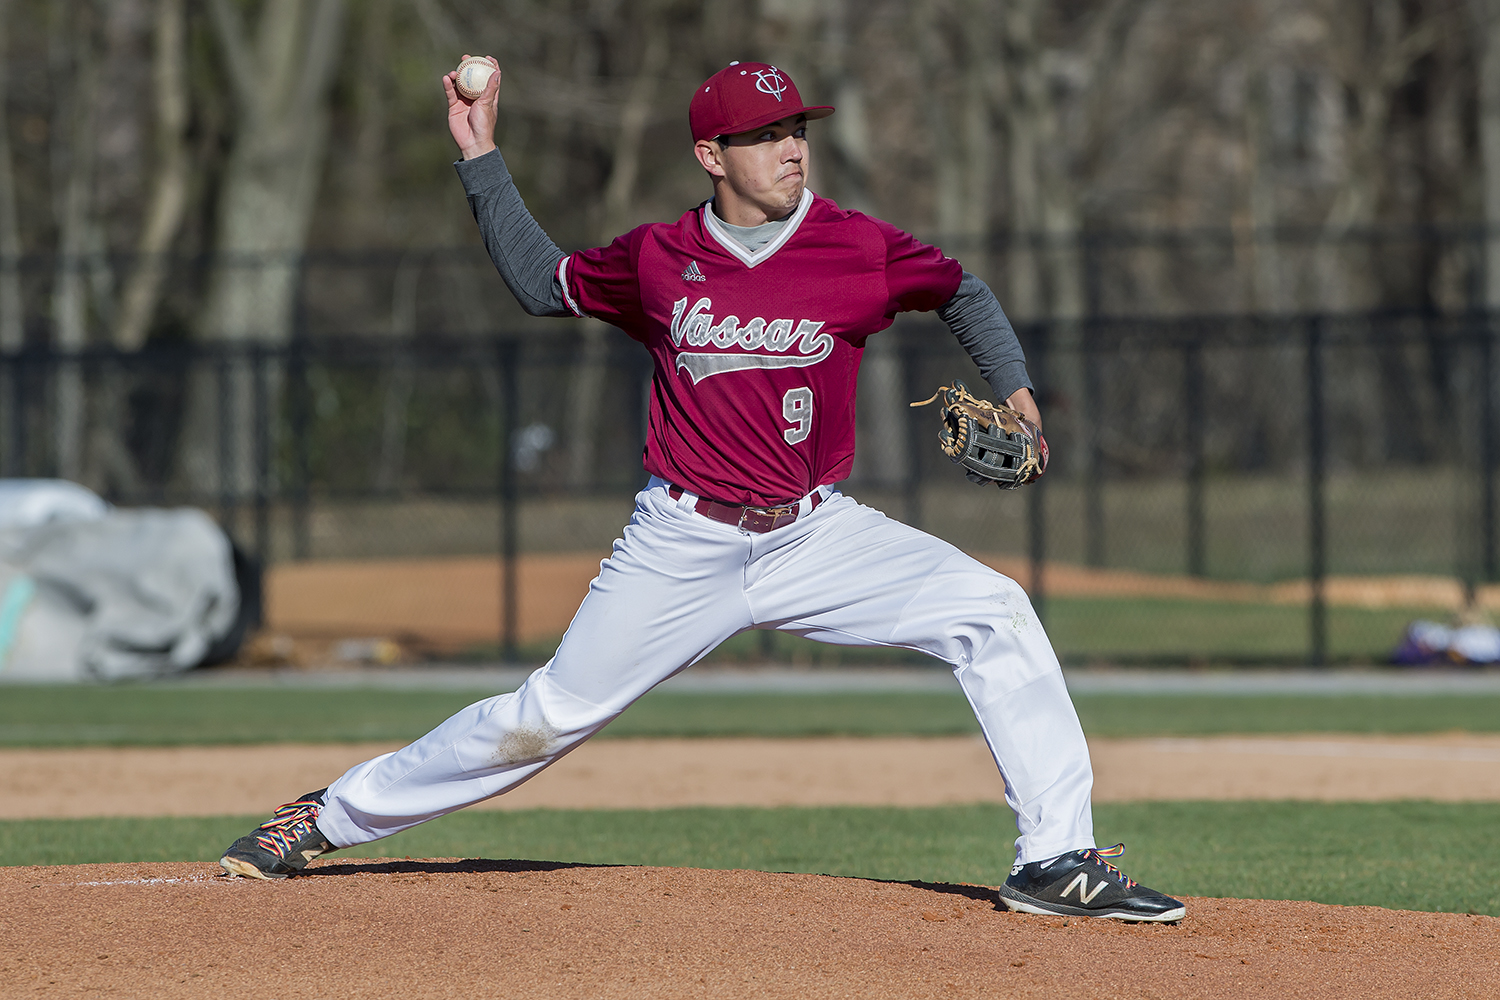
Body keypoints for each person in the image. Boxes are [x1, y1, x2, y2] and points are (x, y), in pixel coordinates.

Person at [219, 58, 1184, 924]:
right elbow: (541, 280)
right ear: (710, 155)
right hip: (682, 540)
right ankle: (329, 814)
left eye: (796, 129)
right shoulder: (657, 258)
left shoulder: (858, 248)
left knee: (996, 611)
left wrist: (1013, 384)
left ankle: (1054, 857)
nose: (789, 148)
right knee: (544, 717)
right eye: (764, 136)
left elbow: (964, 292)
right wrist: (481, 156)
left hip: (815, 534)